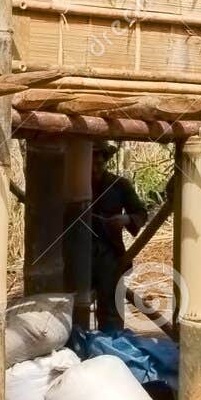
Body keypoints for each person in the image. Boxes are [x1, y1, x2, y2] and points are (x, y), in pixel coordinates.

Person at [89, 141, 148, 331]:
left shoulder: (119, 185)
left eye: (99, 164)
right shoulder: (70, 184)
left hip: (110, 252)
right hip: (78, 252)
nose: (95, 169)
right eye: (90, 164)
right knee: (75, 304)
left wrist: (126, 218)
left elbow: (141, 213)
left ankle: (112, 348)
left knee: (111, 306)